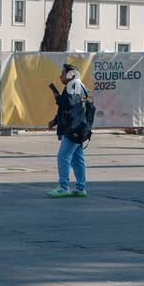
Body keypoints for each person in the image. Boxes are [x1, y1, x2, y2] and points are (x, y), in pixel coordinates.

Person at [46, 63, 90, 197]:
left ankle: (63, 187)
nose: (61, 76)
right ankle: (80, 187)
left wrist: (57, 98)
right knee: (77, 159)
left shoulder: (73, 85)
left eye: (63, 73)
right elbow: (70, 109)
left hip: (73, 129)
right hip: (79, 127)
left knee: (63, 157)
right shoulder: (79, 85)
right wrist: (55, 121)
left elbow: (68, 103)